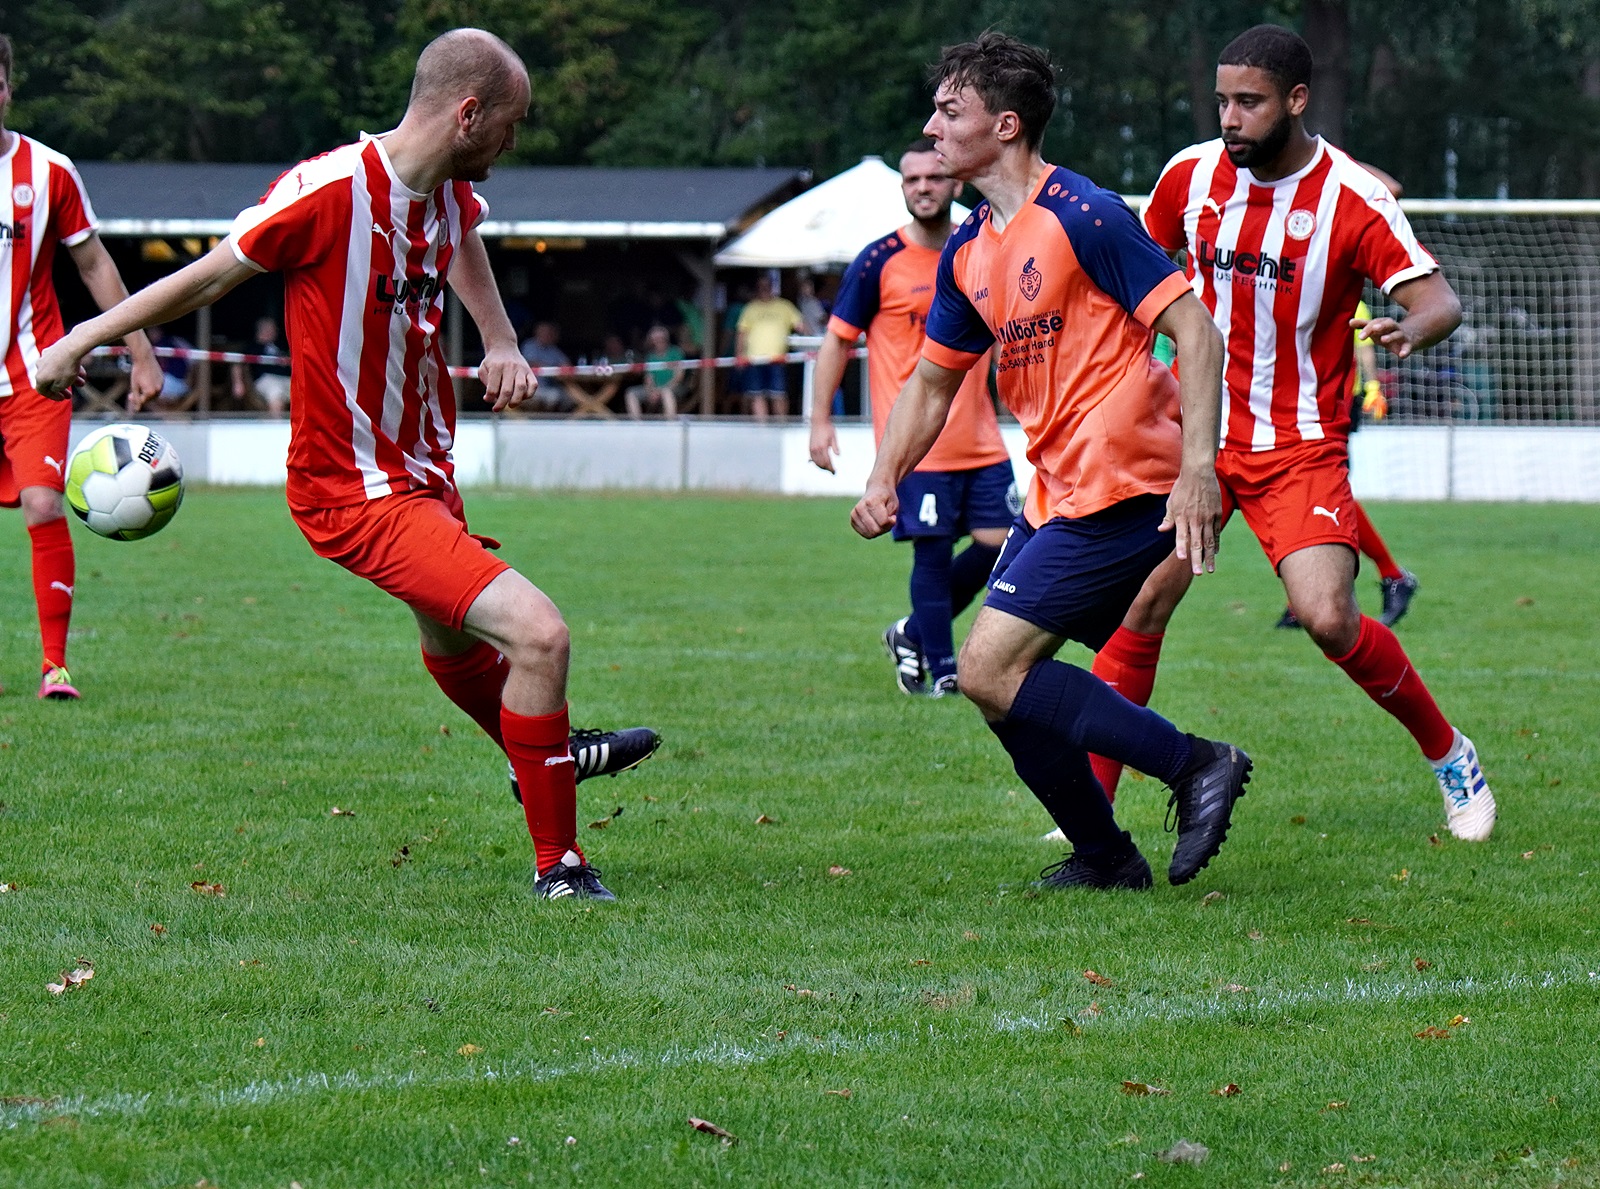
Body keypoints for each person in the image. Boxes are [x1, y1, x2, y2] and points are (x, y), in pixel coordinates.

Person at [38, 28, 658, 900]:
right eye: (511, 123)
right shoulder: (327, 192)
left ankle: (541, 755)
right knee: (539, 634)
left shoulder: (446, 189)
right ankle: (560, 862)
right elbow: (207, 278)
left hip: (425, 470)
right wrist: (83, 338)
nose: (515, 141)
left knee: (453, 639)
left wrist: (501, 336)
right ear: (467, 114)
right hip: (354, 491)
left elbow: (464, 235)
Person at [852, 32, 1251, 890]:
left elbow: (1196, 332)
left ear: (1004, 125)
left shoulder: (1085, 213)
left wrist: (1198, 470)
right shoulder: (969, 248)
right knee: (995, 683)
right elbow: (931, 382)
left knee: (988, 667)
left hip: (1131, 484)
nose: (931, 127)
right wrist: (885, 477)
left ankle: (1195, 763)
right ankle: (1106, 856)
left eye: (949, 111)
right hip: (1059, 491)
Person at [1086, 24, 1495, 842]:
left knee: (1327, 615)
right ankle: (1089, 811)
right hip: (1195, 438)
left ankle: (1451, 753)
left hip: (1298, 443)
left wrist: (1413, 328)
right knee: (1143, 599)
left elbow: (1438, 301)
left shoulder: (1352, 196)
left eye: (1250, 102)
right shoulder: (1189, 176)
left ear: (1297, 100)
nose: (1230, 118)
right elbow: (1138, 271)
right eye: (1222, 102)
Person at [811, 136, 1017, 697]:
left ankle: (913, 634)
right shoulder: (878, 260)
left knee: (1001, 543)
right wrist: (820, 420)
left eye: (933, 177)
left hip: (982, 438)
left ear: (956, 183)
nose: (923, 188)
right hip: (918, 441)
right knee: (932, 549)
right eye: (912, 180)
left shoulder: (979, 246)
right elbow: (837, 341)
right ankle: (944, 670)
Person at [0, 33, 163, 700]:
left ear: (8, 88)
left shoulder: (49, 172)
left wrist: (140, 351)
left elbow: (94, 264)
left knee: (43, 503)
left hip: (33, 374)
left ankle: (55, 665)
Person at [735, 274, 803, 420]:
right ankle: (762, 428)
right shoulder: (750, 308)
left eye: (767, 286)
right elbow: (741, 333)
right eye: (761, 287)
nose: (764, 290)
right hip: (754, 358)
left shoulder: (785, 306)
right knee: (756, 394)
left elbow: (800, 325)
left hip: (777, 358)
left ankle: (781, 425)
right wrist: (739, 355)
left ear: (772, 288)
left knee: (779, 394)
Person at [230, 314, 291, 416]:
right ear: (263, 329)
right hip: (265, 379)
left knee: (307, 390)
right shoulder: (252, 347)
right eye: (272, 329)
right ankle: (275, 424)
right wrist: (238, 384)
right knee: (276, 392)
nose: (276, 331)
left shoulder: (280, 346)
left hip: (286, 379)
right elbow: (237, 364)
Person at [624, 324, 683, 419]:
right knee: (631, 393)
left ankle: (671, 424)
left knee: (666, 393)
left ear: (666, 339)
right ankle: (636, 424)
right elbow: (648, 378)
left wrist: (660, 390)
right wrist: (651, 391)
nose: (658, 341)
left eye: (661, 339)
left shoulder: (676, 352)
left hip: (673, 387)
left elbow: (678, 377)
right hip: (654, 389)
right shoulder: (650, 356)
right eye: (655, 340)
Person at [518, 321, 573, 412]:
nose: (547, 335)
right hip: (531, 387)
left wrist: (563, 368)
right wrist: (554, 370)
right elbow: (532, 363)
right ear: (537, 333)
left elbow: (566, 364)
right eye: (544, 332)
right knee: (554, 396)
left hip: (549, 386)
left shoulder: (553, 349)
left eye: (550, 333)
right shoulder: (529, 345)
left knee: (570, 397)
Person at [145, 323, 196, 406]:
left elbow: (195, 361)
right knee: (139, 389)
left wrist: (190, 376)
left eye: (155, 330)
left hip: (177, 380)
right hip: (161, 380)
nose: (152, 333)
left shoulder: (176, 341)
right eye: (150, 331)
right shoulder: (147, 346)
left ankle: (171, 413)